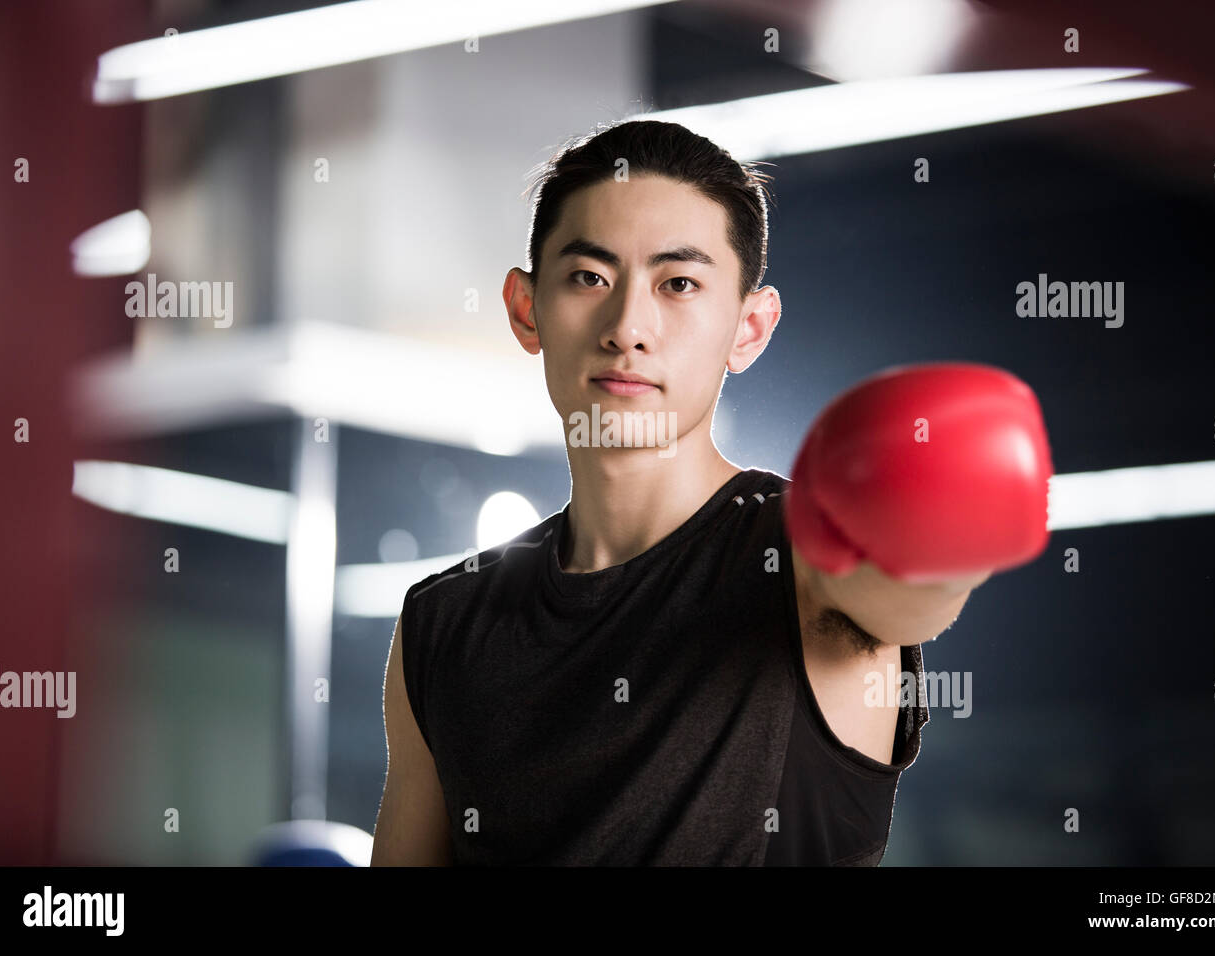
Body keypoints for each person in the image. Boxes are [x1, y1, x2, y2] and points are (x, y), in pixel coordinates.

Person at [370, 120, 1050, 866]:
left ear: (749, 329)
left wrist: (947, 523)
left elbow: (900, 592)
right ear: (527, 308)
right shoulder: (443, 621)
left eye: (679, 284)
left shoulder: (801, 564)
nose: (628, 326)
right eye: (590, 277)